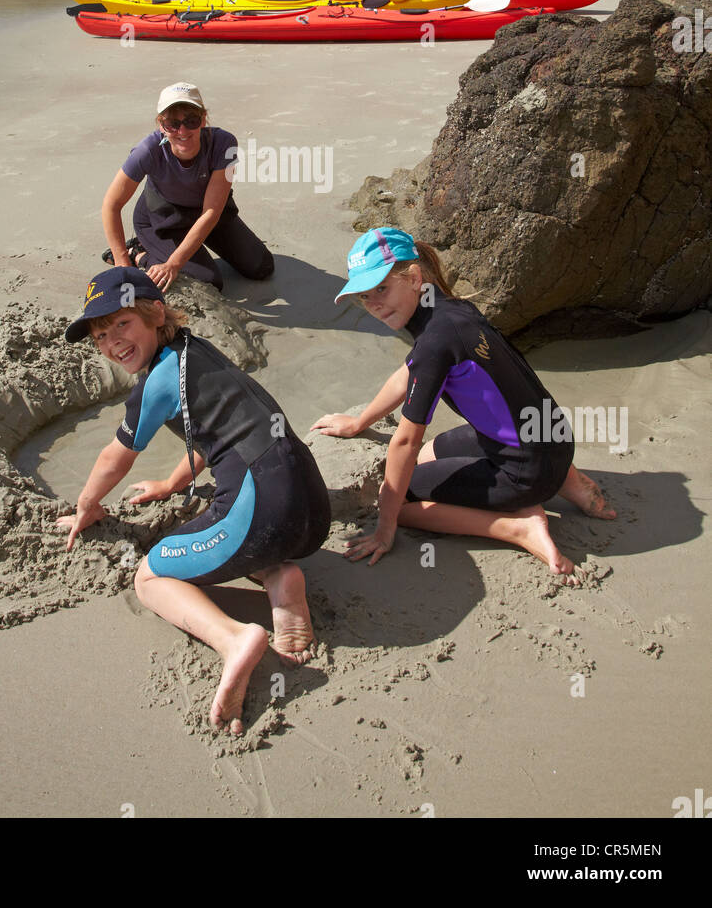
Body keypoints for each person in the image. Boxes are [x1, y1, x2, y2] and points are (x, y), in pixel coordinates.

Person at [57, 267, 331, 733]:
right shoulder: (196, 352)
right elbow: (214, 436)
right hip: (309, 505)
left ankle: (233, 639)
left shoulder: (158, 381)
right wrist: (169, 484)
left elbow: (115, 458)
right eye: (101, 335)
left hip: (263, 509)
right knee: (227, 521)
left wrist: (87, 505)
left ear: (154, 313)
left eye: (122, 324)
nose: (112, 342)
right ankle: (279, 578)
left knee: (150, 578)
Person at [312, 227, 615, 581]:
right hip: (554, 439)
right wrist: (360, 421)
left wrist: (385, 525)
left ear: (413, 278)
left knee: (403, 499)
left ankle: (517, 527)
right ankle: (570, 481)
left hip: (527, 470)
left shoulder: (435, 343)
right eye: (365, 296)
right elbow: (409, 373)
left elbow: (405, 442)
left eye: (382, 288)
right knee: (429, 455)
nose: (374, 304)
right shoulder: (453, 310)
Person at [101, 81, 274, 292]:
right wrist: (122, 264)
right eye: (172, 124)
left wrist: (174, 263)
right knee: (209, 281)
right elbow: (111, 204)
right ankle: (138, 252)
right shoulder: (147, 151)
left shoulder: (224, 144)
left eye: (191, 120)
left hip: (207, 213)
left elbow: (211, 212)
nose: (182, 130)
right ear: (161, 125)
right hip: (162, 221)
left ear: (203, 120)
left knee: (261, 266)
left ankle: (174, 251)